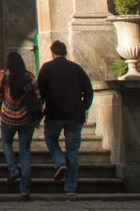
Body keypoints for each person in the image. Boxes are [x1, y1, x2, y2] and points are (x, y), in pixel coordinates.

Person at [37, 39, 94, 199]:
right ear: (65, 52)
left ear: (52, 52)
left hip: (54, 114)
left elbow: (40, 93)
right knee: (73, 151)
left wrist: (39, 111)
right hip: (75, 116)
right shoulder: (76, 69)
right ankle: (70, 187)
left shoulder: (47, 68)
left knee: (50, 139)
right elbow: (89, 91)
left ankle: (59, 161)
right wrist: (84, 107)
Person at [0, 51, 38, 199]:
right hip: (26, 117)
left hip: (8, 117)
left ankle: (13, 168)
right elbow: (38, 97)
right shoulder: (29, 76)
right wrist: (37, 118)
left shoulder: (2, 76)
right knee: (25, 151)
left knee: (6, 143)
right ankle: (25, 189)